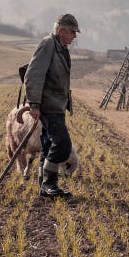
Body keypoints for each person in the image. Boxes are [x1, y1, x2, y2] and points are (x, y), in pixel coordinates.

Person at [24, 13, 79, 198]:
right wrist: (34, 104)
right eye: (72, 31)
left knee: (48, 145)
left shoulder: (61, 48)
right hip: (48, 105)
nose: (74, 36)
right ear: (61, 30)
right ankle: (50, 184)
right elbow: (33, 74)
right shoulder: (48, 44)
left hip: (57, 105)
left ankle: (43, 187)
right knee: (63, 145)